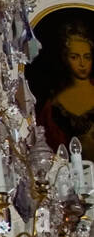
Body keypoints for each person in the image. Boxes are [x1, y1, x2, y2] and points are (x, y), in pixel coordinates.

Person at [38, 24, 94, 158]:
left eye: (87, 57)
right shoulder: (53, 107)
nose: (82, 64)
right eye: (74, 57)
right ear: (65, 58)